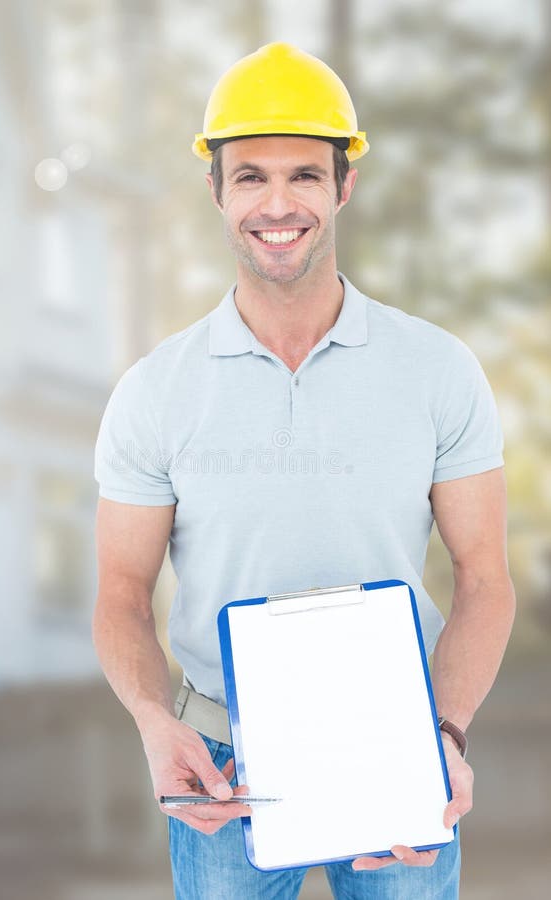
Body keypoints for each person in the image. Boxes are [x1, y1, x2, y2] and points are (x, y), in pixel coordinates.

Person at [93, 42, 516, 899]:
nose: (278, 205)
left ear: (344, 186)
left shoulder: (436, 369)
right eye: (250, 176)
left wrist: (446, 736)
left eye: (304, 176)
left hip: (400, 747)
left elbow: (485, 578)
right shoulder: (154, 392)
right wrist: (150, 722)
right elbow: (119, 589)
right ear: (214, 188)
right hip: (221, 764)